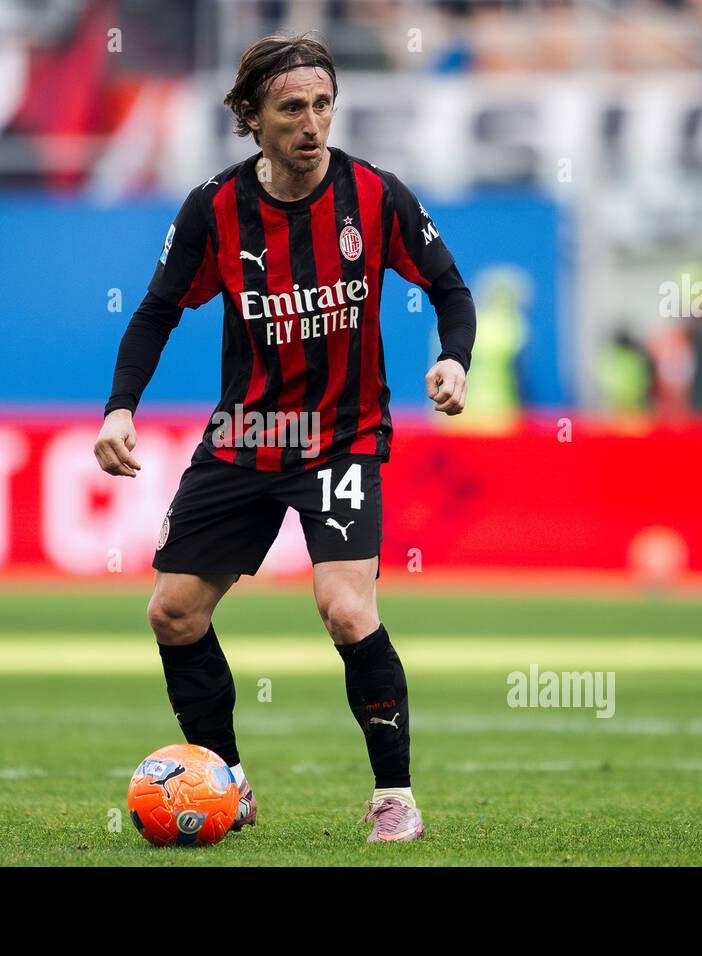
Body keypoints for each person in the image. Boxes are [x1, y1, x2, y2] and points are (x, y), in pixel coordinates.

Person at [94, 32, 476, 843]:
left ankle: (394, 798)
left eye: (323, 105)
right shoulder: (215, 208)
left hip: (342, 435)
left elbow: (449, 288)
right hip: (246, 436)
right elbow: (158, 310)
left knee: (345, 608)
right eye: (292, 108)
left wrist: (453, 359)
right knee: (173, 614)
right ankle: (226, 782)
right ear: (251, 118)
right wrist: (120, 407)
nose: (312, 123)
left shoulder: (375, 196)